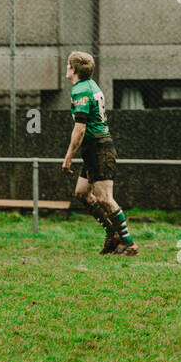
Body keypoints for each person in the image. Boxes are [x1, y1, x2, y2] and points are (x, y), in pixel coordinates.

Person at [62, 51, 138, 256]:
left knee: (105, 198)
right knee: (82, 193)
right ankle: (112, 233)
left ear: (74, 69)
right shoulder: (91, 85)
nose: (66, 68)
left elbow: (80, 128)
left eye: (68, 64)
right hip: (94, 149)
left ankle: (128, 242)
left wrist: (68, 156)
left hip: (99, 148)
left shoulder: (80, 90)